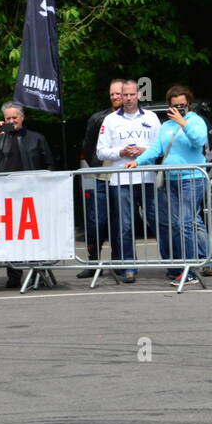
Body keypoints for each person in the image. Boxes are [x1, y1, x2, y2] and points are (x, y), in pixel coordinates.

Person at [127, 85, 208, 284]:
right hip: (170, 180)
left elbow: (199, 141)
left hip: (191, 179)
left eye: (183, 105)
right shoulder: (165, 126)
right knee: (174, 225)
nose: (180, 109)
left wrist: (184, 123)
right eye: (175, 106)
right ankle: (180, 266)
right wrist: (138, 161)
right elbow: (156, 149)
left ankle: (190, 271)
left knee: (185, 224)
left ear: (189, 105)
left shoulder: (196, 121)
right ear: (169, 106)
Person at [0, 101, 55, 287]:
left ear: (22, 118)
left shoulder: (36, 138)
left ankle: (37, 273)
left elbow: (49, 164)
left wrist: (47, 187)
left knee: (34, 235)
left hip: (31, 193)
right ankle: (13, 274)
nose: (12, 121)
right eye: (8, 118)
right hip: (6, 194)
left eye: (14, 117)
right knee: (11, 236)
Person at [94, 81, 163, 283]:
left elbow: (160, 147)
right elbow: (100, 151)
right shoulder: (110, 120)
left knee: (158, 222)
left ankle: (174, 264)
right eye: (125, 95)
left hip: (147, 178)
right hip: (121, 180)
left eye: (133, 94)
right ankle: (128, 267)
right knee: (124, 226)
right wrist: (120, 152)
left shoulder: (151, 118)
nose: (129, 98)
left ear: (138, 95)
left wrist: (144, 152)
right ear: (121, 97)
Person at [78, 79, 124, 278]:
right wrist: (98, 168)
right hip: (101, 177)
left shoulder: (134, 119)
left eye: (119, 93)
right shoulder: (98, 118)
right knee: (96, 220)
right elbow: (87, 147)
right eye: (112, 93)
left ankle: (119, 261)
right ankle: (93, 262)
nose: (115, 97)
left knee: (120, 221)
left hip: (124, 178)